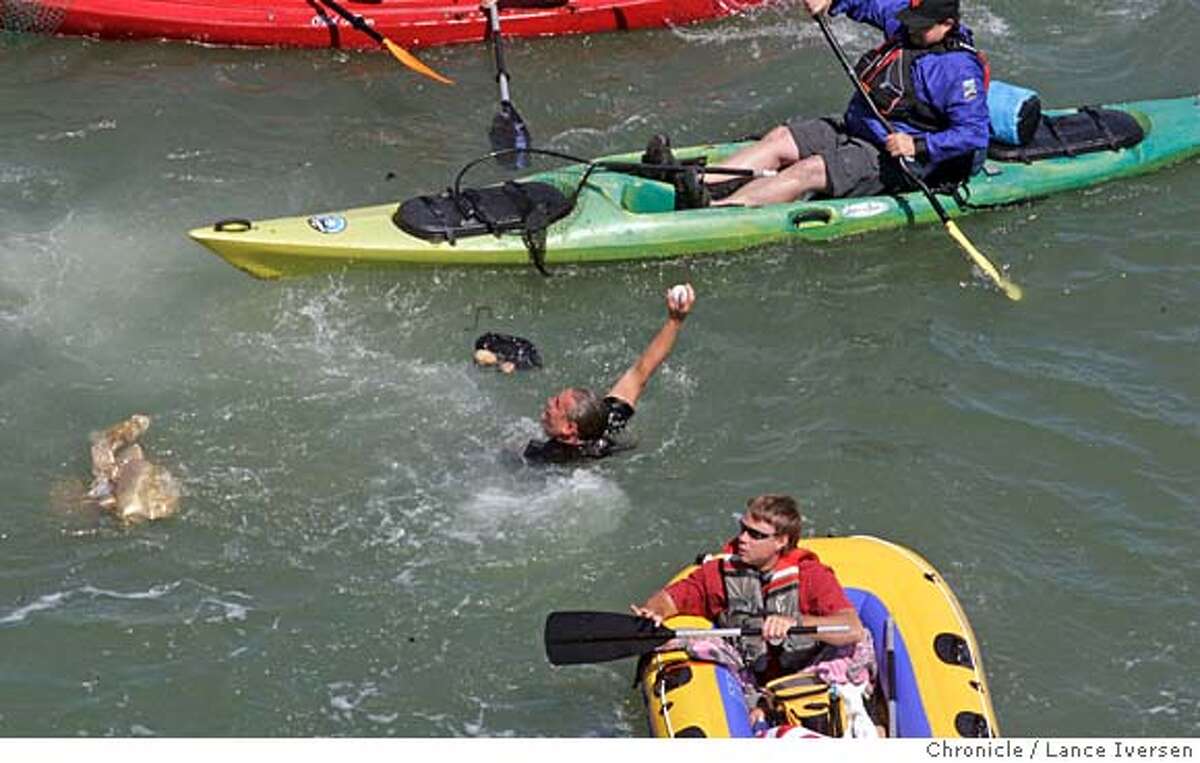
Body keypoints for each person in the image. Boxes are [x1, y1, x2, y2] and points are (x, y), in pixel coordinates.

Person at [682, 0, 990, 208]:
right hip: (858, 126)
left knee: (808, 171)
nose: (911, 29)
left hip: (894, 157)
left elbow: (974, 134)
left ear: (948, 24)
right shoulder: (908, 25)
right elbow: (869, 3)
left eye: (921, 26)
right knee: (780, 139)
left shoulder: (958, 70)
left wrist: (917, 146)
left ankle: (718, 210)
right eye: (911, 21)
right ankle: (698, 185)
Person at [631, 494, 865, 723]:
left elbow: (852, 628)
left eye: (755, 535)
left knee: (860, 649)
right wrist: (654, 612)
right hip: (750, 673)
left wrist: (796, 623)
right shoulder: (716, 574)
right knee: (696, 644)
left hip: (806, 672)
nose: (743, 538)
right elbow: (669, 599)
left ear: (781, 541)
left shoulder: (812, 576)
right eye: (742, 528)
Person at [522, 284, 695, 464]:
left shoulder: (545, 456)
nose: (549, 401)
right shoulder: (608, 419)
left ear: (569, 428)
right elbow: (640, 372)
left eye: (557, 405)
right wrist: (675, 321)